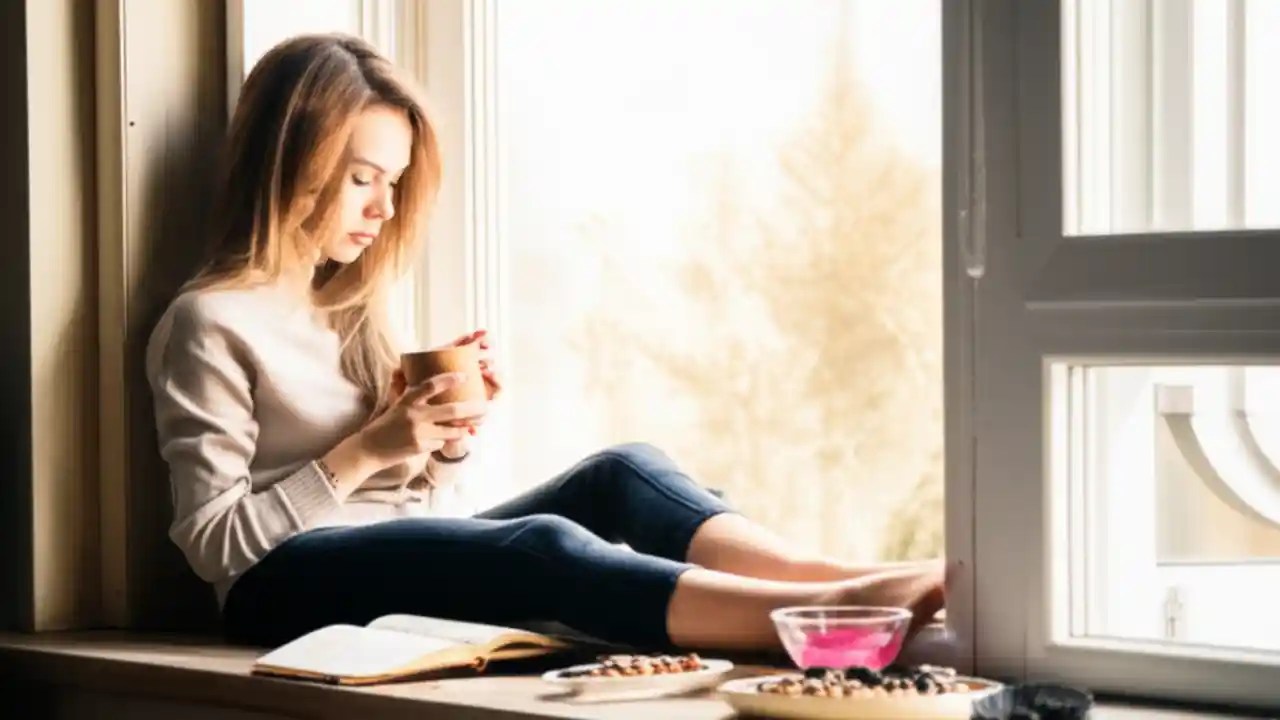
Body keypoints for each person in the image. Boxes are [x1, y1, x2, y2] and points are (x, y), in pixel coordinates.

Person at [145, 33, 945, 651]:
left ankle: (831, 579)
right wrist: (367, 449)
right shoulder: (208, 323)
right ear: (290, 160)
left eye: (392, 183)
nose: (383, 210)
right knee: (543, 548)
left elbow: (418, 513)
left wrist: (440, 445)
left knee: (621, 472)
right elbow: (214, 547)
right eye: (363, 178)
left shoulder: (354, 309)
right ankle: (819, 618)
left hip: (374, 569)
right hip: (277, 592)